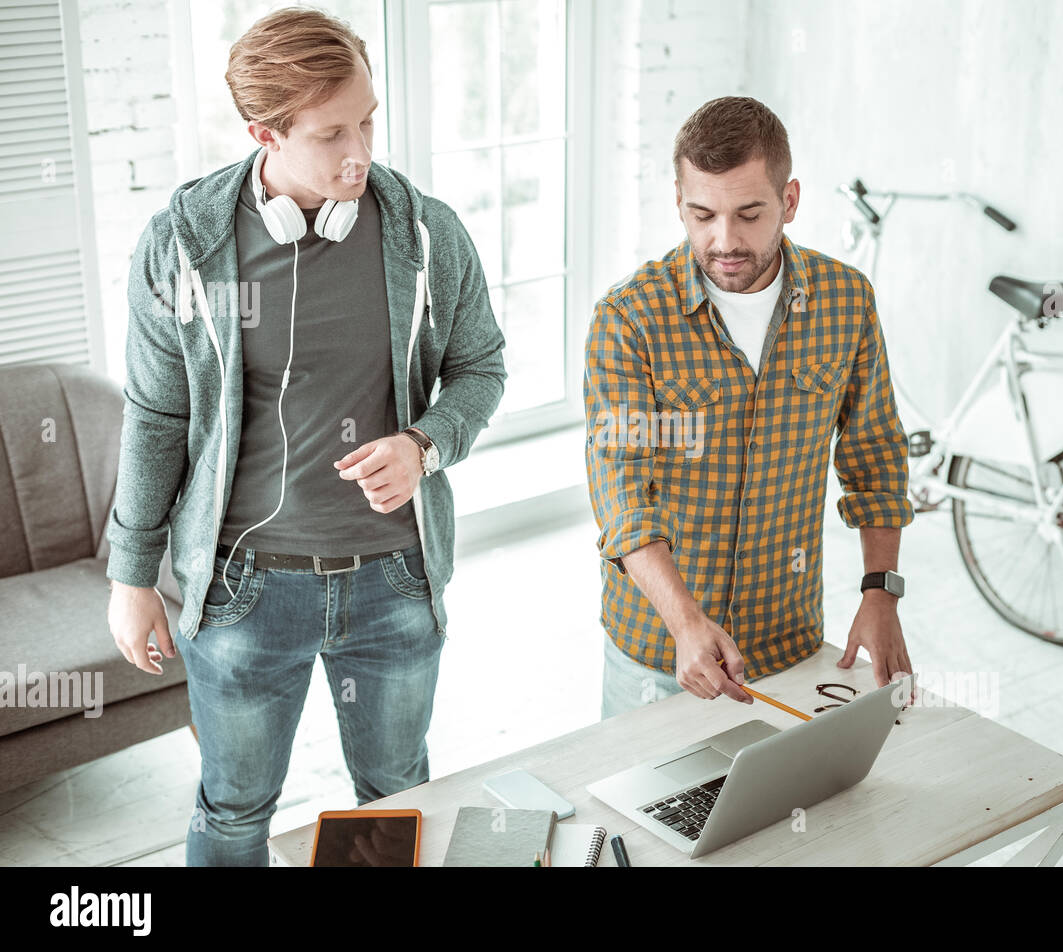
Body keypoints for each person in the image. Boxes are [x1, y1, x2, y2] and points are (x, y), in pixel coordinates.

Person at [104, 7, 505, 865]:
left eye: (368, 121)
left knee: (395, 799)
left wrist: (425, 443)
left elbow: (483, 368)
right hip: (244, 590)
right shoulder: (184, 246)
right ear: (264, 133)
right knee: (235, 811)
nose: (361, 151)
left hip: (396, 582)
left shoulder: (424, 233)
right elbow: (157, 415)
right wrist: (132, 575)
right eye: (332, 135)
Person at [584, 96, 914, 719]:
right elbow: (622, 492)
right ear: (677, 201)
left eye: (749, 213)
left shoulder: (847, 302)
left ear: (790, 201)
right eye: (701, 214)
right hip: (659, 655)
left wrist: (881, 593)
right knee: (636, 814)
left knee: (789, 810)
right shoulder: (628, 320)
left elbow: (875, 457)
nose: (724, 240)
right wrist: (685, 623)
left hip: (788, 644)